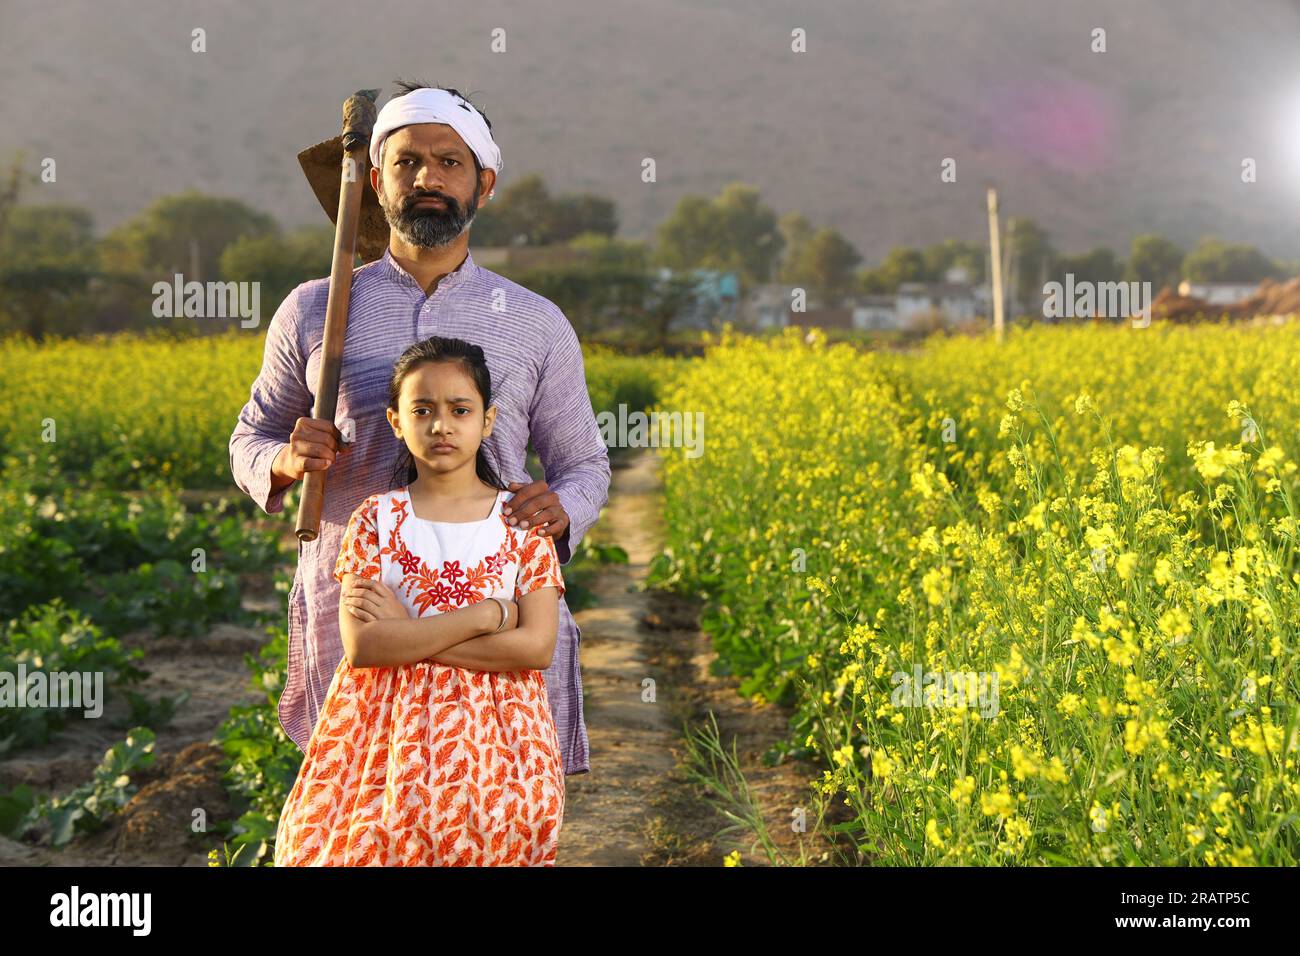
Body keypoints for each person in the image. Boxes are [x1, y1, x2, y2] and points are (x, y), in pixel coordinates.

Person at [228, 80, 609, 778]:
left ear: (484, 184)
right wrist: (284, 460)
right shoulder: (313, 309)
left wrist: (564, 508)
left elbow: (584, 464)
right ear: (376, 182)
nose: (427, 178)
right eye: (407, 162)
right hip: (362, 610)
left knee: (493, 803)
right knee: (365, 805)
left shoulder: (537, 321)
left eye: (449, 162)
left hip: (497, 608)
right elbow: (249, 439)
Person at [274, 336, 565, 866]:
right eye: (422, 410)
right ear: (395, 422)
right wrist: (488, 615)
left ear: (488, 420)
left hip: (500, 738)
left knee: (497, 837)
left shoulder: (522, 523)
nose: (441, 426)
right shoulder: (375, 520)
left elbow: (534, 648)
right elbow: (364, 647)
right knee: (357, 843)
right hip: (383, 737)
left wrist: (407, 636)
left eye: (460, 410)